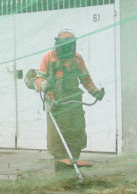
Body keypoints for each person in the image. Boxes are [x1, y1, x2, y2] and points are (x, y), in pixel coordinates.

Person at [25, 29, 105, 173]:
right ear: (58, 44)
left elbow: (86, 79)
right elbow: (38, 78)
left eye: (71, 46)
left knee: (76, 136)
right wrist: (44, 84)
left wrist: (95, 92)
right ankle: (61, 176)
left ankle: (74, 172)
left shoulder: (77, 59)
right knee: (57, 140)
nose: (68, 49)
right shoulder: (48, 58)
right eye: (65, 46)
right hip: (56, 106)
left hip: (74, 105)